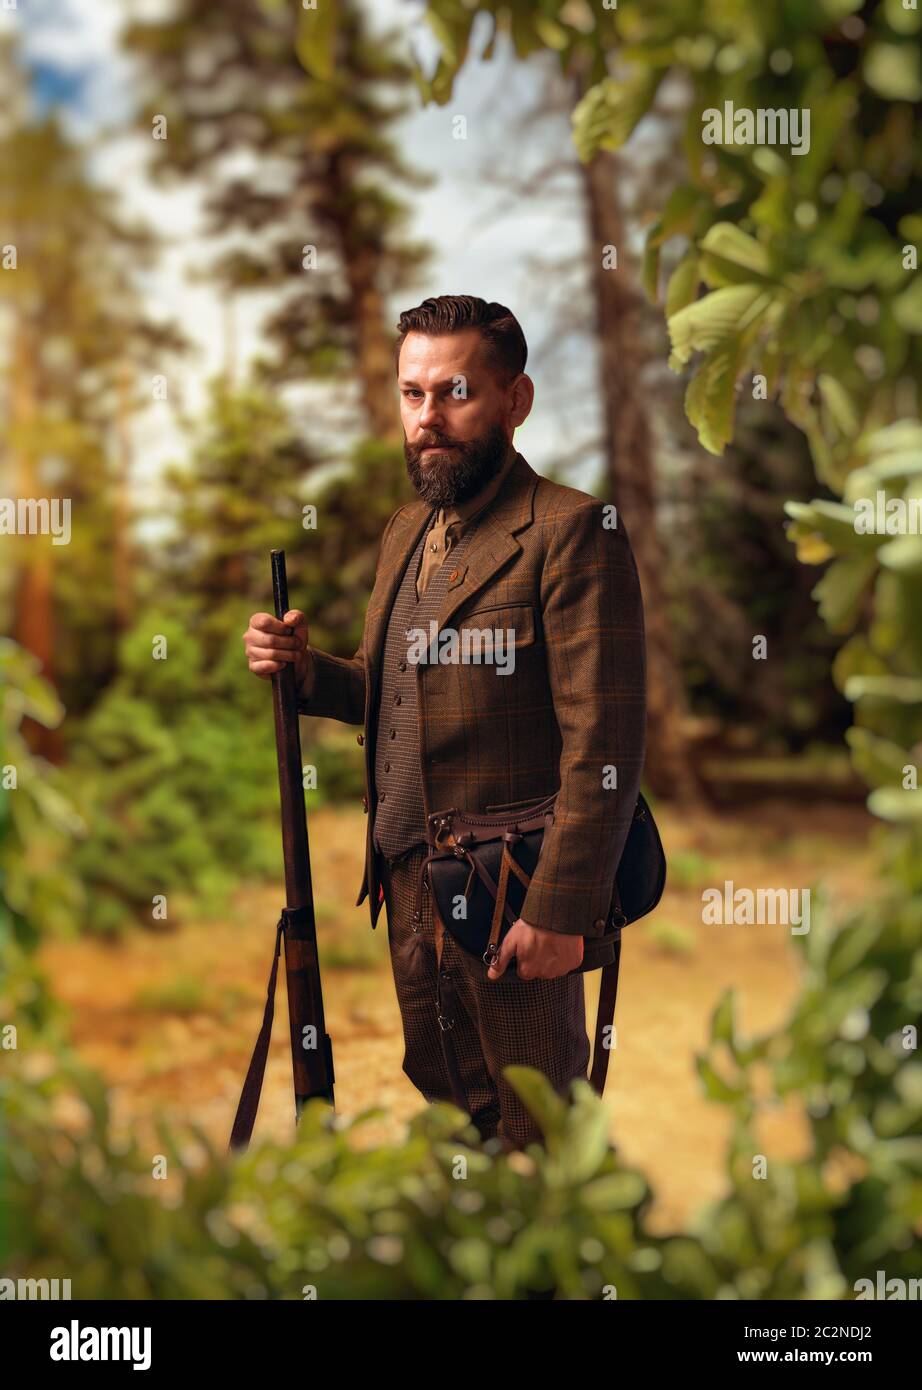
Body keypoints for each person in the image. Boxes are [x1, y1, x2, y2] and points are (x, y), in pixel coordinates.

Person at [243, 294, 646, 1150]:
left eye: (454, 391)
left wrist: (562, 909)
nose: (428, 418)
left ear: (516, 400)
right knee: (452, 1113)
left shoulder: (570, 532)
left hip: (513, 892)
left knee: (540, 1127)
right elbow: (396, 694)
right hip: (408, 886)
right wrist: (307, 673)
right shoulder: (406, 532)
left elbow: (604, 745)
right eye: (411, 394)